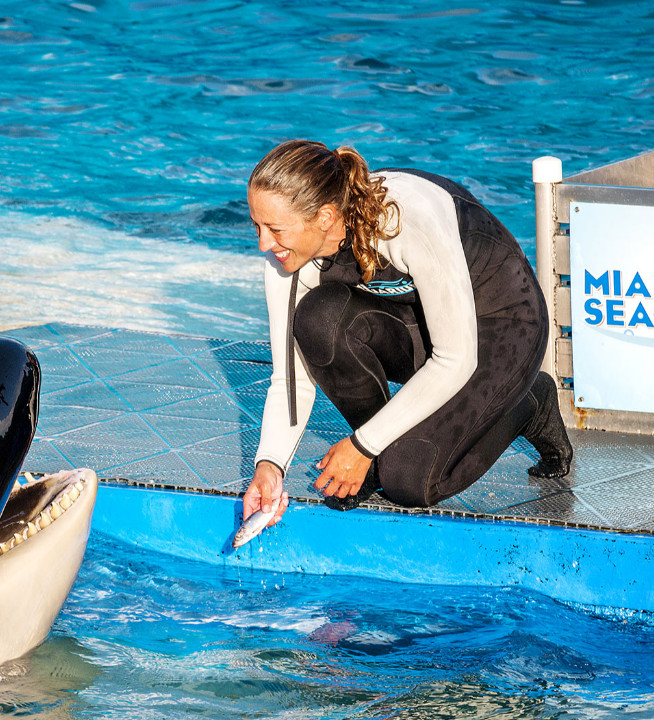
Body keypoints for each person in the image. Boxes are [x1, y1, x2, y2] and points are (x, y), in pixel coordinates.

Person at [241, 140, 573, 527]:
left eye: (275, 229)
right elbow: (290, 380)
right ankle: (375, 459)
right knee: (317, 319)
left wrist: (362, 445)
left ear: (326, 216)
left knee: (410, 479)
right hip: (422, 326)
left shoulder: (405, 218)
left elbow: (456, 358)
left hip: (504, 327)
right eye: (257, 226)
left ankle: (530, 403)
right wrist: (269, 466)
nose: (264, 244)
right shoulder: (286, 256)